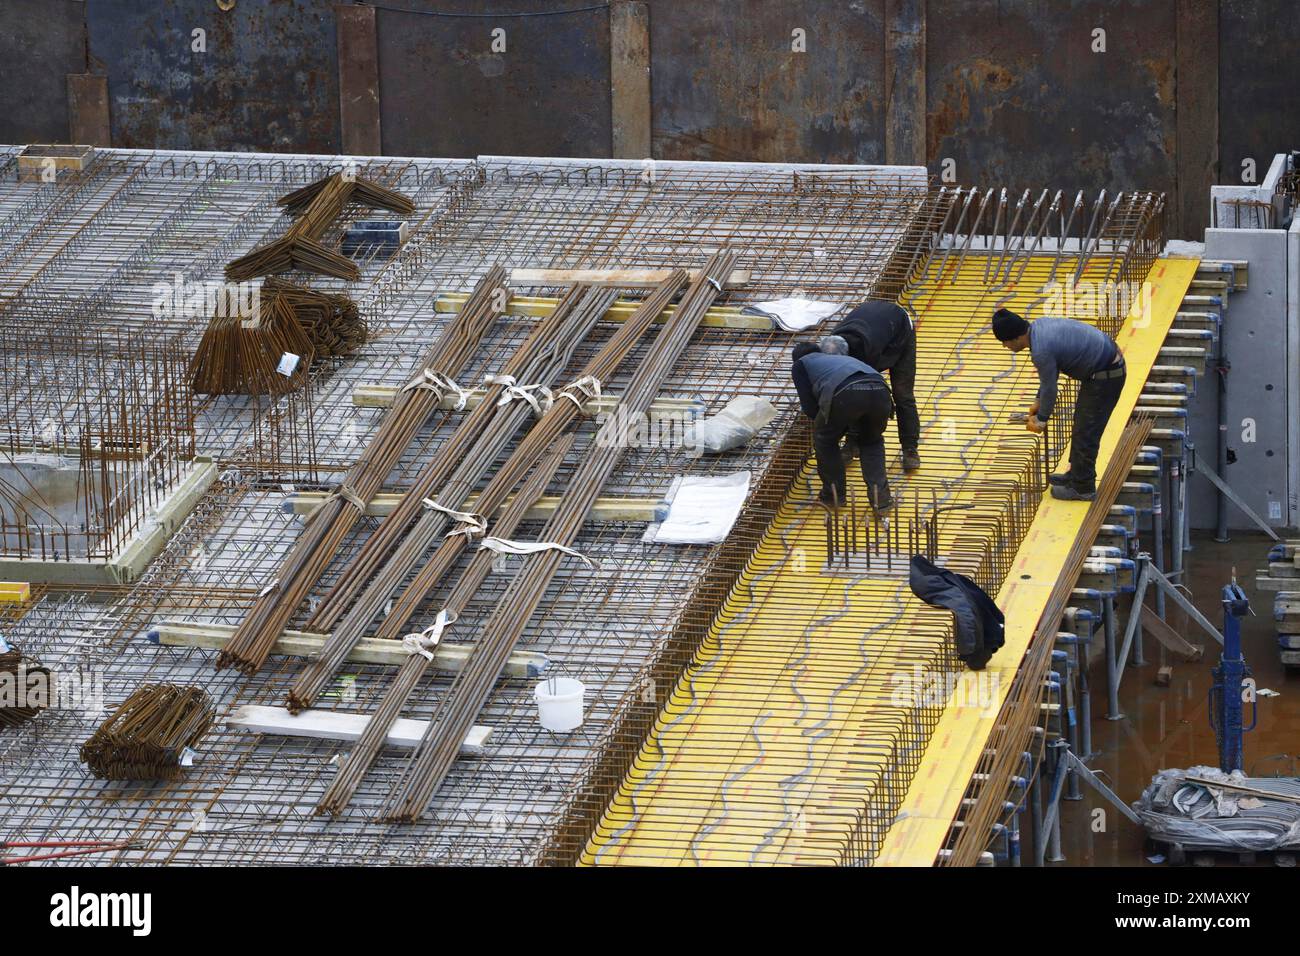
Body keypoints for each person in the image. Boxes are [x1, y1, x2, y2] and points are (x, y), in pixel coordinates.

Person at [992, 308, 1126, 501]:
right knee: (1081, 423)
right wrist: (1039, 401)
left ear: (1016, 337)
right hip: (1103, 367)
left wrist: (1042, 418)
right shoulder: (1039, 329)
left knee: (1087, 429)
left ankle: (1083, 488)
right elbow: (1049, 377)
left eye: (1004, 342)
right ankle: (1076, 475)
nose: (1005, 346)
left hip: (1106, 374)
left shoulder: (1041, 350)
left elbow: (1050, 387)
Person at [791, 341, 893, 512]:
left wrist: (836, 428)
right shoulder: (834, 361)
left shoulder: (800, 364)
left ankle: (834, 495)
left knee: (825, 440)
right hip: (880, 389)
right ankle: (881, 500)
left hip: (846, 392)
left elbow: (810, 407)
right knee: (871, 441)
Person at [826, 300, 921, 471]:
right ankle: (852, 443)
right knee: (853, 392)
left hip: (900, 331)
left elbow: (875, 394)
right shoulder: (833, 343)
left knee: (902, 394)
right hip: (880, 325)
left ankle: (910, 448)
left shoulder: (868, 349)